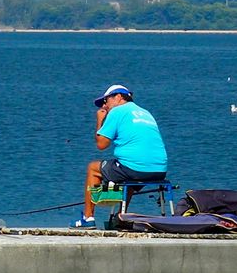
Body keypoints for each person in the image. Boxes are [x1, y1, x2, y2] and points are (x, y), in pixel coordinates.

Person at [71, 84, 167, 228]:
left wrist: (100, 120)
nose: (104, 105)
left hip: (135, 168)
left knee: (93, 168)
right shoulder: (145, 112)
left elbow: (101, 145)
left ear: (118, 97)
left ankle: (88, 218)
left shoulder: (117, 112)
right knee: (127, 174)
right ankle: (120, 218)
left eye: (106, 100)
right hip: (159, 170)